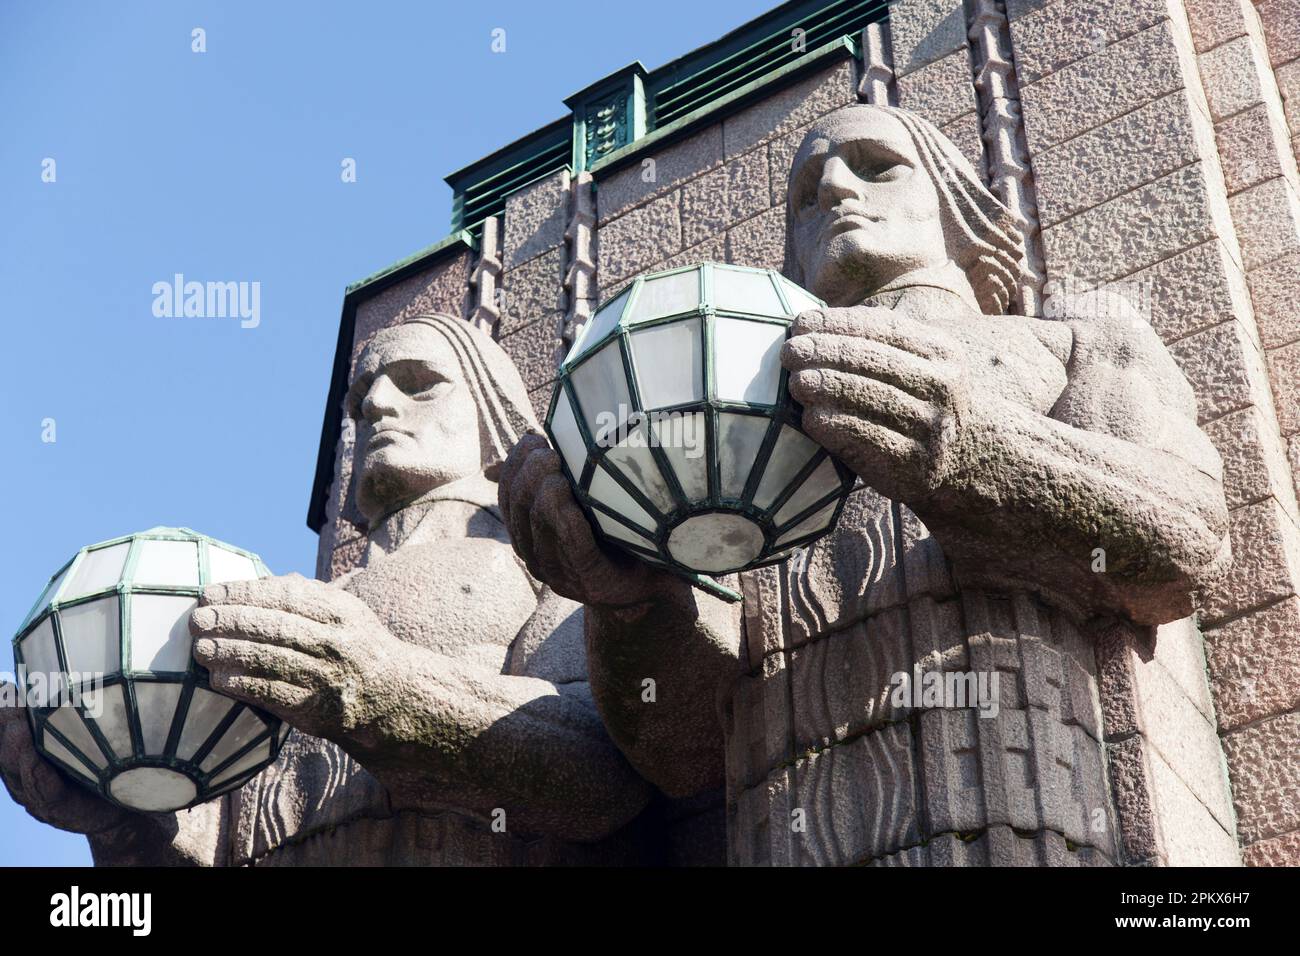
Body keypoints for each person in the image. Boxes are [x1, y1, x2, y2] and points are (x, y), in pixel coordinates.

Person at [497, 104, 1230, 840]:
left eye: (877, 166)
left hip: (1032, 806)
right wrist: (634, 608)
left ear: (956, 208)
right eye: (807, 194)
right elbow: (681, 756)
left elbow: (1189, 542)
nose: (836, 191)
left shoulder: (1070, 345)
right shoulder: (742, 429)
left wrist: (977, 452)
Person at [1, 313, 652, 865]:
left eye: (419, 383)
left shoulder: (538, 552)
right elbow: (219, 841)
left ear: (487, 404)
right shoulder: (312, 607)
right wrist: (120, 813)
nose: (376, 405)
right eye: (362, 396)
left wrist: (383, 690)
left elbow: (604, 768)